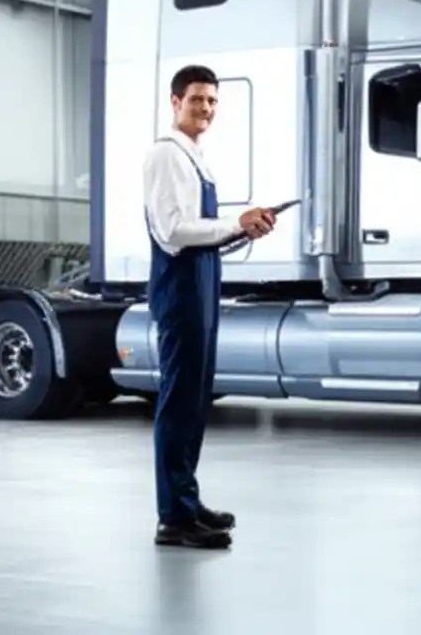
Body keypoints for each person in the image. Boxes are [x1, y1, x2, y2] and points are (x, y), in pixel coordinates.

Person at [142, 65, 275, 549]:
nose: (206, 109)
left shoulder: (195, 156)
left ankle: (187, 501)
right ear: (175, 102)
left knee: (195, 400)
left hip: (200, 283)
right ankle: (172, 518)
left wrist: (245, 226)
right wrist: (231, 222)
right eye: (197, 99)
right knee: (179, 401)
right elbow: (172, 231)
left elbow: (201, 228)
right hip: (180, 287)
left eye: (213, 101)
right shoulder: (166, 155)